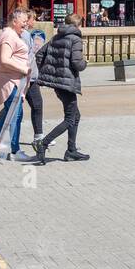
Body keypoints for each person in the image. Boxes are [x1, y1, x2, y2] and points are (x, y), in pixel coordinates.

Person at [32, 14, 89, 163]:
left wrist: (46, 73)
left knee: (75, 116)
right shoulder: (75, 39)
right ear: (78, 25)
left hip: (58, 83)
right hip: (67, 83)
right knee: (70, 119)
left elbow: (39, 55)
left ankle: (71, 150)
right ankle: (43, 144)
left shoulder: (56, 37)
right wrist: (85, 63)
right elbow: (77, 63)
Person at [0, 8, 34, 162]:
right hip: (11, 82)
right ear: (14, 21)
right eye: (23, 21)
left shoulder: (12, 34)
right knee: (15, 115)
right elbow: (5, 59)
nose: (25, 24)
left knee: (8, 113)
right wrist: (24, 68)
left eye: (26, 21)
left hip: (15, 81)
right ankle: (15, 151)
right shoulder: (8, 36)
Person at [22, 10, 47, 147]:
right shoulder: (24, 35)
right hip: (27, 77)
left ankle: (39, 136)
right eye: (32, 19)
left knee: (37, 105)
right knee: (13, 109)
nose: (34, 22)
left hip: (31, 76)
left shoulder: (27, 35)